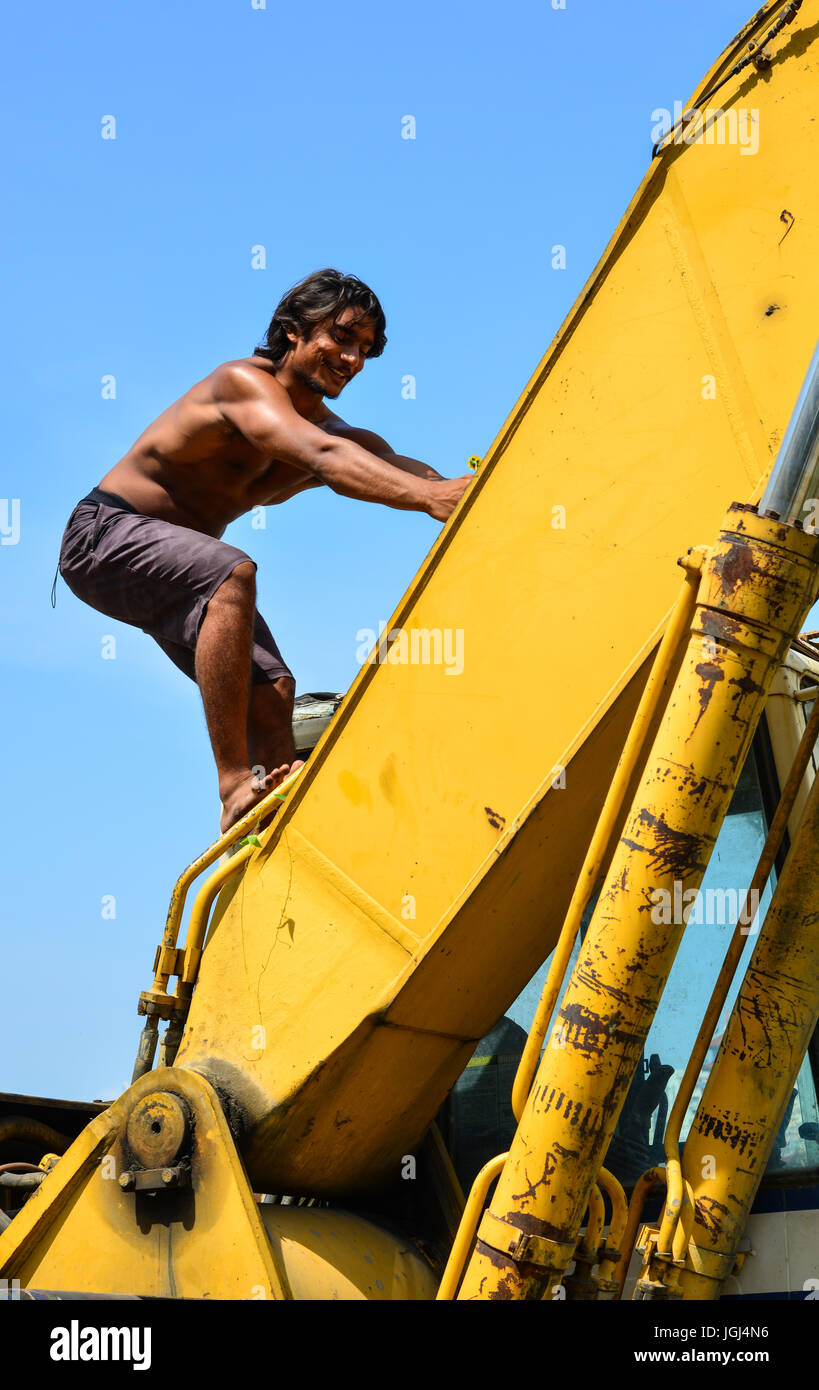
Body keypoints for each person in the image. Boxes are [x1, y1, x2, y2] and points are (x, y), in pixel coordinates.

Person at [58, 268, 473, 832]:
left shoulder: (331, 430)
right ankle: (233, 784)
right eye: (342, 337)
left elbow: (399, 467)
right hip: (104, 535)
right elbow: (326, 459)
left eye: (366, 350)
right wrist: (429, 499)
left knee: (274, 690)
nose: (352, 358)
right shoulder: (242, 386)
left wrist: (469, 495)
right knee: (230, 574)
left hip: (172, 569)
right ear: (292, 332)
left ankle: (266, 829)